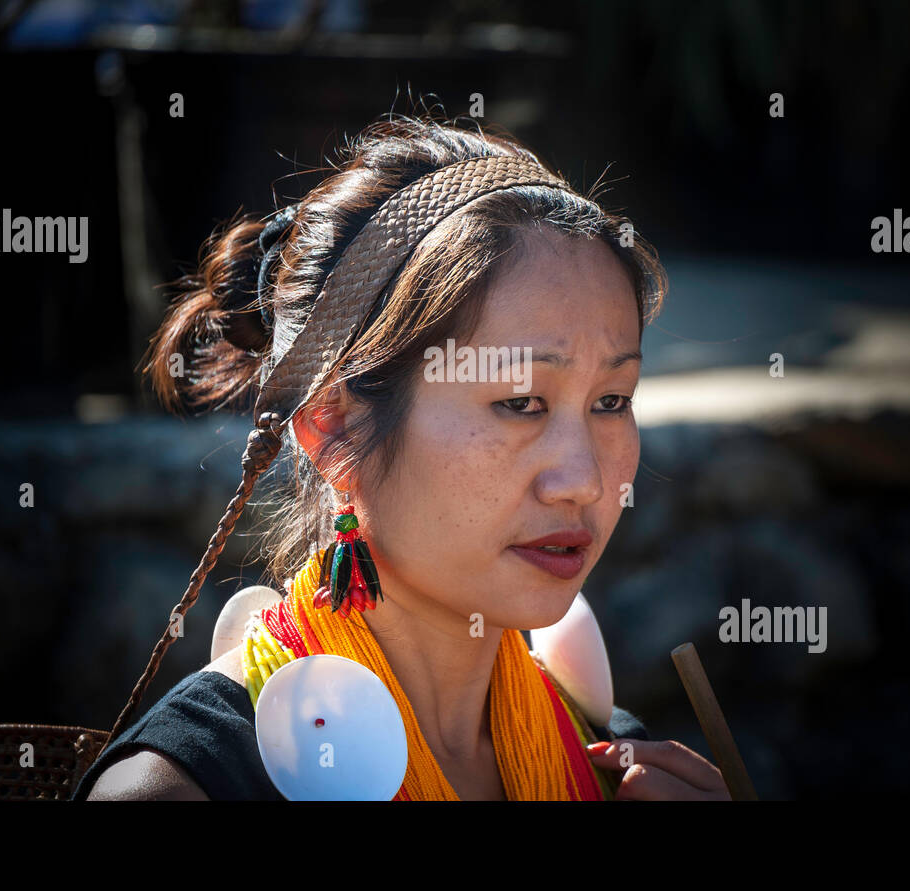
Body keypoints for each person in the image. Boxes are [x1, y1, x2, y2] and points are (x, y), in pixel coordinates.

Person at [74, 110, 730, 801]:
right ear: (334, 433)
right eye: (520, 402)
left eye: (611, 401)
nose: (585, 480)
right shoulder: (181, 790)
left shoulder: (602, 757)